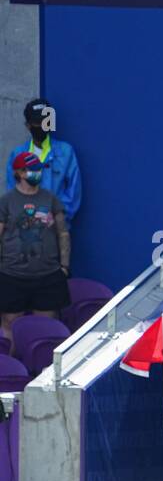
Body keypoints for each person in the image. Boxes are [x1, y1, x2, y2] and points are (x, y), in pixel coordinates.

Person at [0, 151, 71, 346]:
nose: (37, 173)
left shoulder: (50, 199)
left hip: (47, 276)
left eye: (39, 169)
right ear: (20, 173)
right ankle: (13, 371)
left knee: (47, 327)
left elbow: (62, 232)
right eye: (33, 170)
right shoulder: (6, 201)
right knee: (10, 324)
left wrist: (64, 266)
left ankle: (42, 371)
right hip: (12, 275)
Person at [6, 99, 81, 223]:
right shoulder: (17, 155)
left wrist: (57, 216)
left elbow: (74, 193)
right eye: (37, 122)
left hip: (56, 229)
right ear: (28, 125)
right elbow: (12, 193)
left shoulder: (66, 152)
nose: (42, 125)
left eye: (46, 121)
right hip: (26, 231)